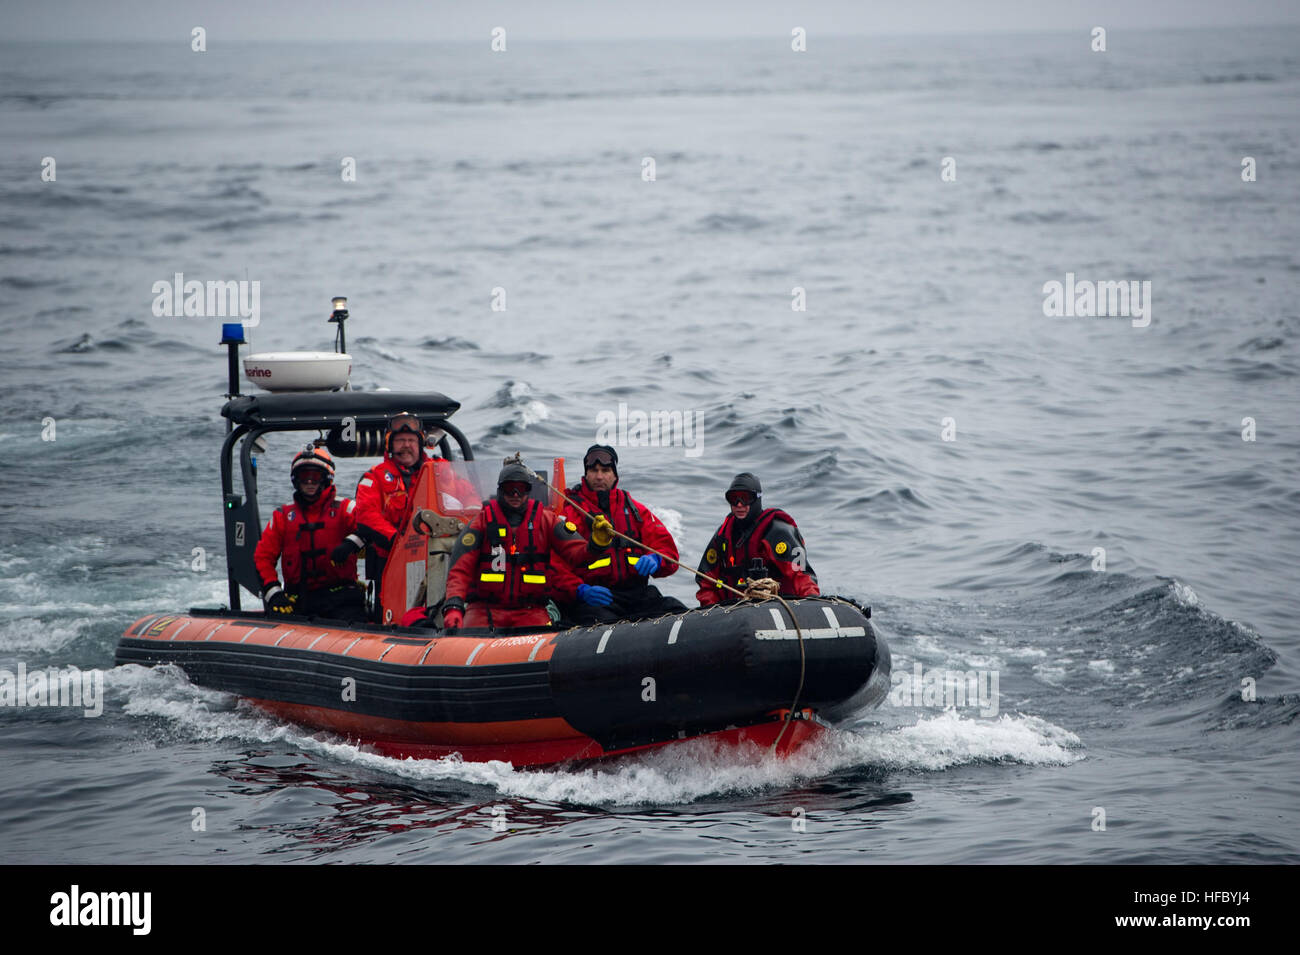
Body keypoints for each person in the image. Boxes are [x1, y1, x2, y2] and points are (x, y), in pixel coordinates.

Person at [442, 462, 592, 630]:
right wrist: (454, 606)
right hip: (485, 610)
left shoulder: (546, 521)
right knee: (468, 638)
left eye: (521, 488)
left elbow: (578, 553)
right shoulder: (481, 523)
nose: (515, 494)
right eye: (509, 488)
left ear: (529, 490)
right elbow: (459, 571)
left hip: (531, 611)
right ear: (500, 489)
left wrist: (596, 544)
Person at [560, 444, 687, 624]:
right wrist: (579, 590)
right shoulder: (570, 512)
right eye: (593, 470)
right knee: (599, 624)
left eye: (605, 470)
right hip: (597, 600)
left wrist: (656, 559)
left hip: (638, 596)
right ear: (585, 474)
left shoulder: (635, 510)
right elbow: (554, 565)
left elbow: (666, 550)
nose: (599, 476)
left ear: (614, 475)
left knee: (677, 611)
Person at [254, 446, 366, 621]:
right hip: (298, 599)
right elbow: (263, 557)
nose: (309, 482)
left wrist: (351, 543)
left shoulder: (345, 509)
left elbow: (369, 528)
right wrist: (274, 593)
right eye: (304, 477)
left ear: (326, 479)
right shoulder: (282, 516)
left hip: (342, 598)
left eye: (315, 477)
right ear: (296, 480)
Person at [695, 472, 820, 606]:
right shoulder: (723, 534)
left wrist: (812, 603)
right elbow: (706, 581)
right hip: (732, 610)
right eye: (733, 498)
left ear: (757, 499)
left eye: (745, 498)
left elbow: (801, 574)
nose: (739, 504)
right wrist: (711, 610)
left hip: (779, 606)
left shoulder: (778, 531)